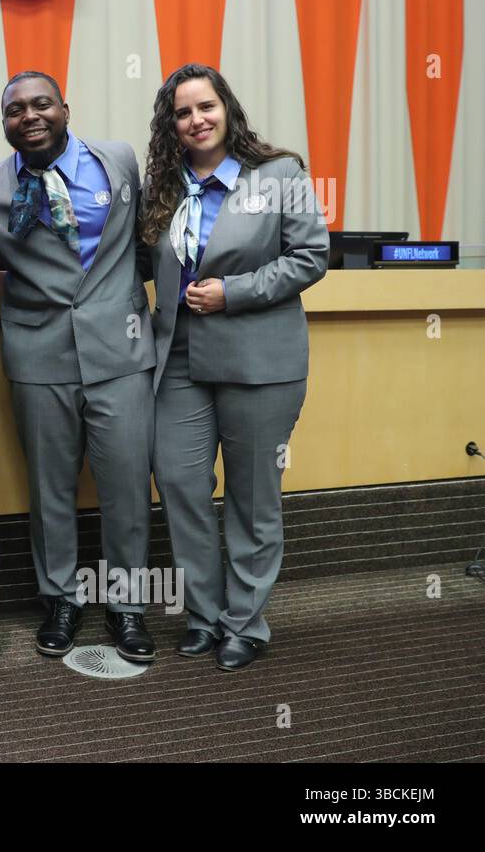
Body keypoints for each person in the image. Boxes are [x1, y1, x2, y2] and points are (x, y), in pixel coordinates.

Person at [140, 62, 327, 671]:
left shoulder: (281, 175)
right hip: (179, 361)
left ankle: (244, 623)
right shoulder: (164, 186)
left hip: (258, 361)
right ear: (172, 125)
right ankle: (202, 615)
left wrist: (233, 292)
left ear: (228, 110)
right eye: (183, 112)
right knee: (181, 486)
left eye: (206, 107)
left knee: (252, 497)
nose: (196, 120)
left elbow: (310, 258)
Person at [0, 72, 158, 662]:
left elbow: (149, 247)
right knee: (50, 486)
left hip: (121, 350)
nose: (29, 115)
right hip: (37, 352)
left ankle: (126, 604)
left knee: (126, 483)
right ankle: (62, 598)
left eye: (41, 103)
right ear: (3, 122)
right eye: (15, 109)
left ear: (65, 108)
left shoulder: (120, 162)